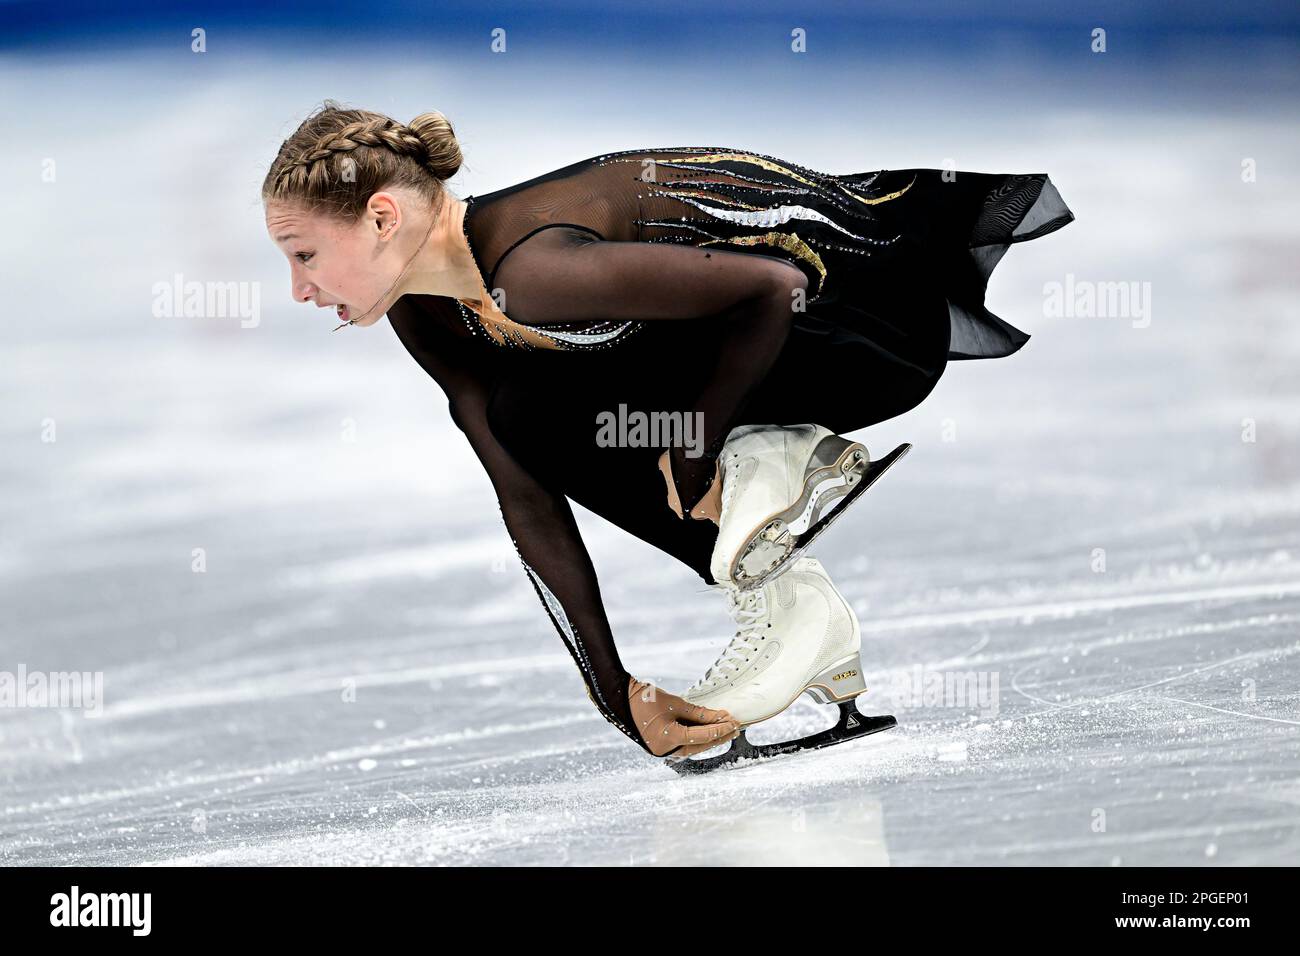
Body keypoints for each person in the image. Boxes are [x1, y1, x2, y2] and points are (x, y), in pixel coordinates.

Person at [262, 100, 1074, 762]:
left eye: (303, 254)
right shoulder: (429, 312)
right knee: (522, 415)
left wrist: (692, 451)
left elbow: (771, 289)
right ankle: (783, 591)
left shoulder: (527, 269)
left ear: (379, 217)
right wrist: (618, 694)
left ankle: (766, 464)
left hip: (862, 334)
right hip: (759, 348)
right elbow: (524, 490)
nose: (299, 288)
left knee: (537, 396)